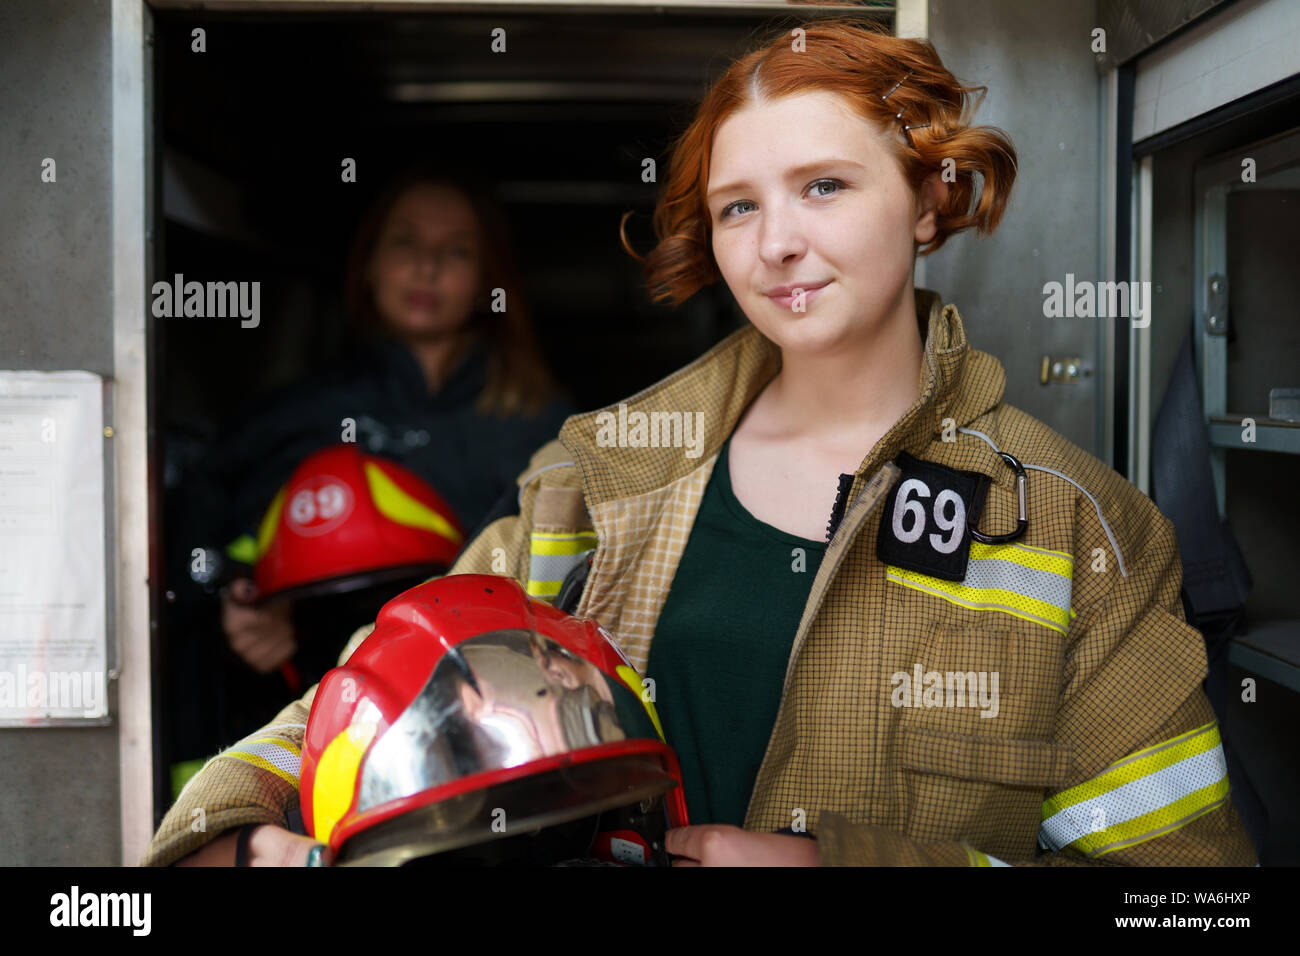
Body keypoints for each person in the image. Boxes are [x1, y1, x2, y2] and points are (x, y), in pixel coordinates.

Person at [145, 19, 1257, 867]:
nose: (778, 243)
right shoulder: (601, 479)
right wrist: (232, 829)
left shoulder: (1075, 526)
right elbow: (380, 689)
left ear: (927, 200)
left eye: (824, 186)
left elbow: (1184, 891)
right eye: (736, 207)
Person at [211, 167, 575, 686]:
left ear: (487, 280)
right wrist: (241, 602)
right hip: (318, 706)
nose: (427, 267)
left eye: (456, 251)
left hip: (496, 697)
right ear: (368, 264)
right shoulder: (296, 413)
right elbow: (221, 541)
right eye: (405, 243)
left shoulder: (546, 425)